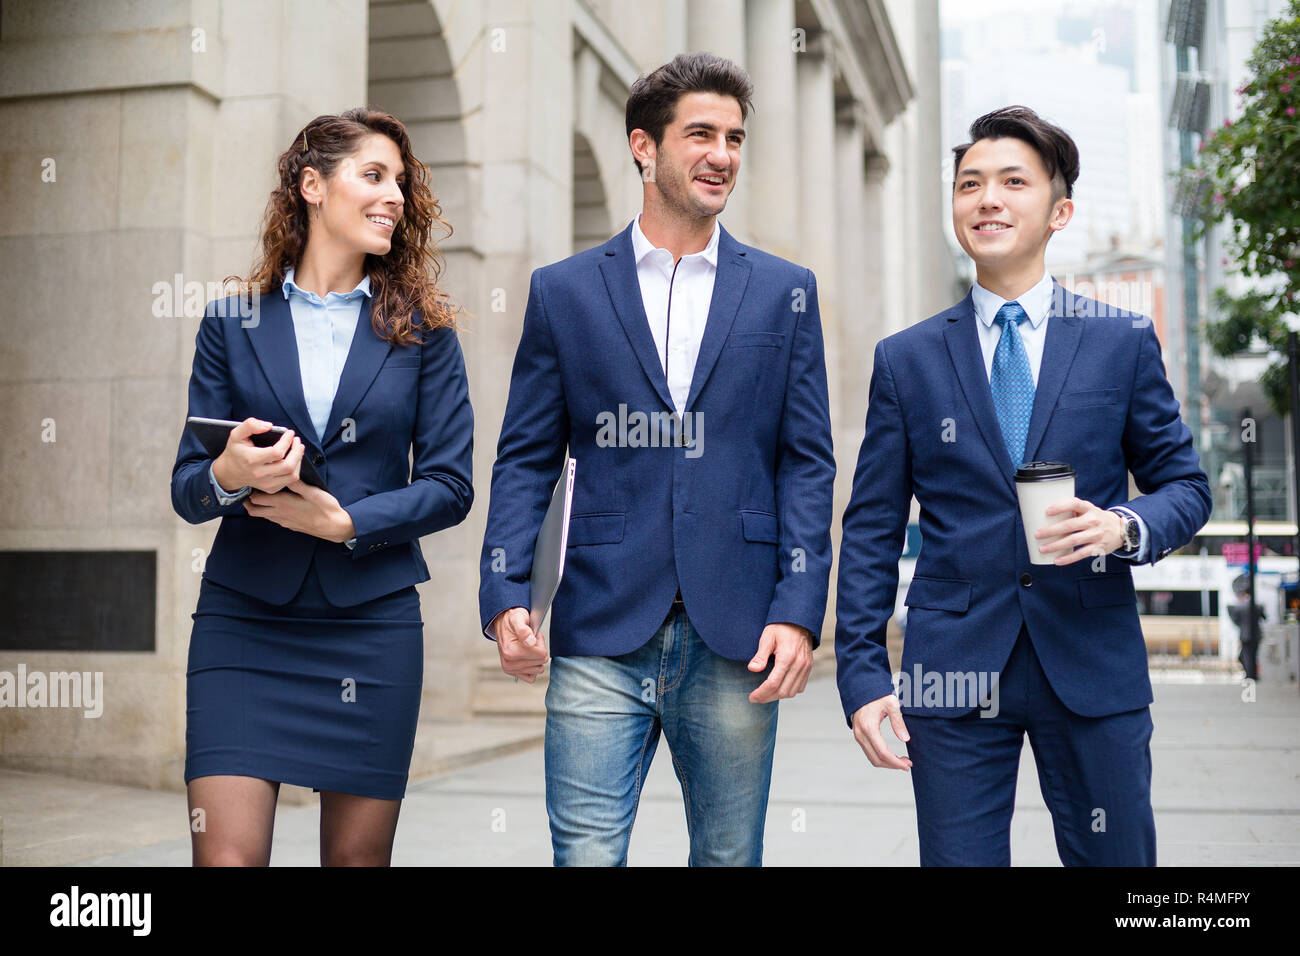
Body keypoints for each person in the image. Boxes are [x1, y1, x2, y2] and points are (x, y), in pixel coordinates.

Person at [478, 52, 835, 866]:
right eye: (701, 134)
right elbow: (527, 456)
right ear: (643, 146)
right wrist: (504, 593)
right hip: (600, 622)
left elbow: (806, 461)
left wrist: (798, 606)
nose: (723, 155)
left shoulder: (786, 290)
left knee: (727, 857)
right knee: (587, 857)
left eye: (736, 138)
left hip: (736, 629)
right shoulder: (563, 291)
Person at [835, 106, 1211, 866]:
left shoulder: (1121, 343)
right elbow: (872, 526)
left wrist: (1122, 526)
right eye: (969, 184)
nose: (987, 199)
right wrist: (862, 674)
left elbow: (1184, 484)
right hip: (952, 670)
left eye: (1013, 182)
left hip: (1091, 658)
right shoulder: (906, 360)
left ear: (1058, 210)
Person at [170, 108, 473, 866]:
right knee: (226, 861)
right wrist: (230, 475)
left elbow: (452, 483)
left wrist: (350, 523)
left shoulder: (424, 332)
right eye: (373, 176)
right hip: (243, 619)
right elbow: (187, 488)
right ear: (312, 186)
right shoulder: (231, 321)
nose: (395, 196)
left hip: (370, 628)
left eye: (400, 183)